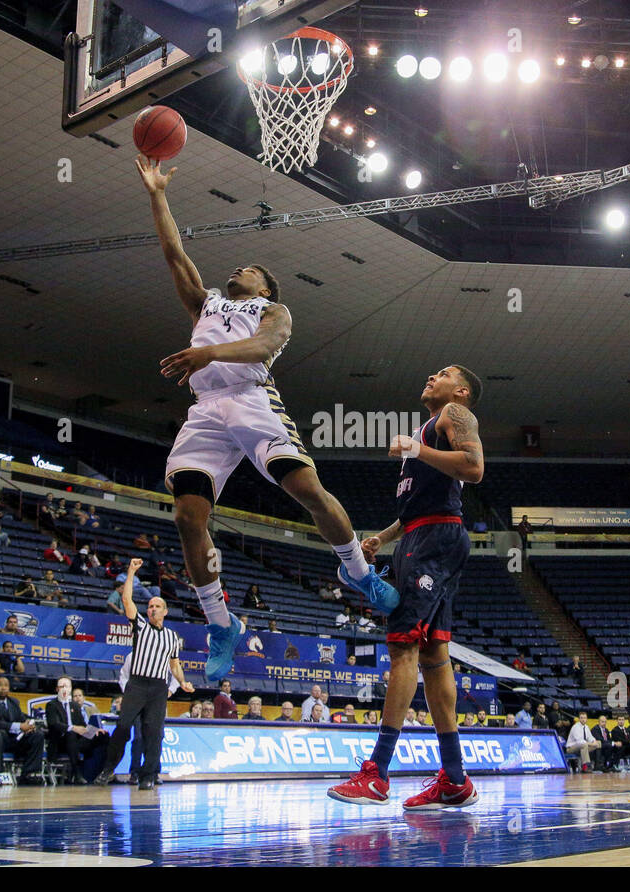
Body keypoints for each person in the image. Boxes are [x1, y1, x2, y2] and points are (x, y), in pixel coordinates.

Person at [134, 154, 399, 687]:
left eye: (250, 270)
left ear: (265, 289)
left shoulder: (272, 312)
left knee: (305, 487)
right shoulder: (206, 303)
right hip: (206, 410)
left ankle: (359, 572)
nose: (239, 270)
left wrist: (209, 355)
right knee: (187, 515)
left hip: (252, 399)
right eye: (238, 268)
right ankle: (220, 622)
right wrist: (157, 193)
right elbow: (173, 253)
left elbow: (264, 346)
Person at [326, 367, 484, 804]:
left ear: (462, 390)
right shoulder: (428, 427)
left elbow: (474, 469)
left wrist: (417, 448)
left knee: (402, 648)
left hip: (435, 540)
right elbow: (419, 504)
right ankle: (454, 778)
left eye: (445, 373)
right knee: (434, 656)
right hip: (420, 535)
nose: (432, 375)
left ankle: (376, 774)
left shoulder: (455, 414)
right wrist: (383, 537)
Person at [95, 560, 193, 790]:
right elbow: (127, 600)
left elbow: (174, 664)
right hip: (137, 684)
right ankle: (108, 769)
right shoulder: (140, 625)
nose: (152, 608)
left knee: (154, 734)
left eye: (156, 606)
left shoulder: (172, 637)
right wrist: (130, 572)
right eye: (149, 606)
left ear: (165, 611)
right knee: (122, 727)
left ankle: (148, 775)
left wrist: (183, 681)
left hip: (159, 687)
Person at [0, 676, 45, 785]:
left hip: (15, 739)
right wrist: (19, 726)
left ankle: (28, 774)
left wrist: (29, 724)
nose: (3, 688)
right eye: (0, 685)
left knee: (37, 735)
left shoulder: (14, 702)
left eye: (6, 686)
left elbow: (21, 717)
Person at [46, 677, 108, 784]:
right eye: (62, 687)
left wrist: (94, 730)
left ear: (70, 689)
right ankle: (77, 773)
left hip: (76, 742)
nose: (65, 689)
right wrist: (73, 728)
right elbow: (54, 724)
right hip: (60, 741)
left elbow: (83, 725)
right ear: (57, 689)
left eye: (67, 686)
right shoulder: (52, 705)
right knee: (71, 734)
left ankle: (104, 772)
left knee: (102, 735)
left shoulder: (74, 705)